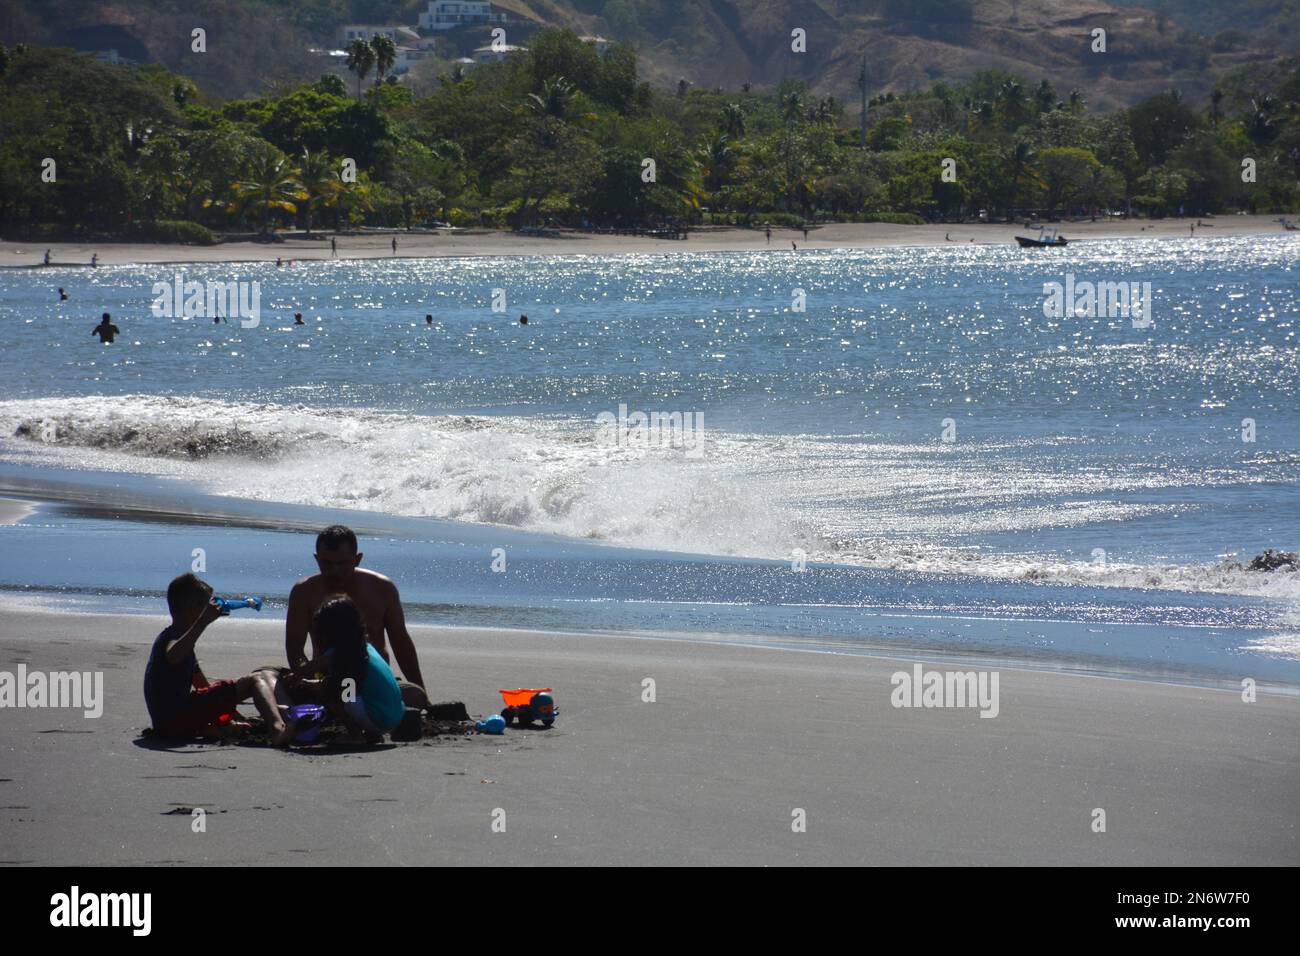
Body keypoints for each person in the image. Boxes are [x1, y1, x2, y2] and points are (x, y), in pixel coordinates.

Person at [285, 525, 428, 708]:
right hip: (325, 679)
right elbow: (295, 649)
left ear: (357, 559)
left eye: (342, 563)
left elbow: (400, 642)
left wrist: (421, 690)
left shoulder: (382, 589)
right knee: (268, 679)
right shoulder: (304, 592)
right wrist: (308, 678)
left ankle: (349, 710)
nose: (334, 571)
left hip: (374, 682)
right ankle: (343, 709)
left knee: (416, 696)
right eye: (326, 563)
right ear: (316, 559)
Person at [144, 573, 290, 744]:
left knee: (237, 687)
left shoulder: (183, 642)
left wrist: (234, 714)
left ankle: (223, 727)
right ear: (193, 608)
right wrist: (202, 622)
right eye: (205, 606)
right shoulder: (172, 637)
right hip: (174, 720)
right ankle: (278, 729)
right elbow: (173, 655)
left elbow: (202, 686)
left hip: (171, 722)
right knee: (255, 680)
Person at [286, 596, 406, 743]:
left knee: (333, 693)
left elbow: (311, 668)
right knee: (349, 687)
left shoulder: (339, 651)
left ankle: (355, 734)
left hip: (378, 718)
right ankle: (372, 734)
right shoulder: (366, 648)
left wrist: (293, 679)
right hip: (394, 717)